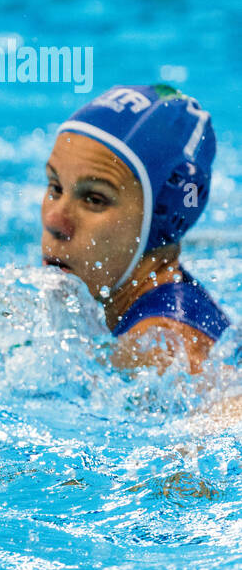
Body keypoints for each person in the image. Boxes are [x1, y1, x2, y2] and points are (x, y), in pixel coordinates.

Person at [42, 84, 228, 373]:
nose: (54, 221)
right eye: (55, 187)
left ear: (161, 218)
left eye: (94, 199)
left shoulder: (164, 353)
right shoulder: (128, 309)